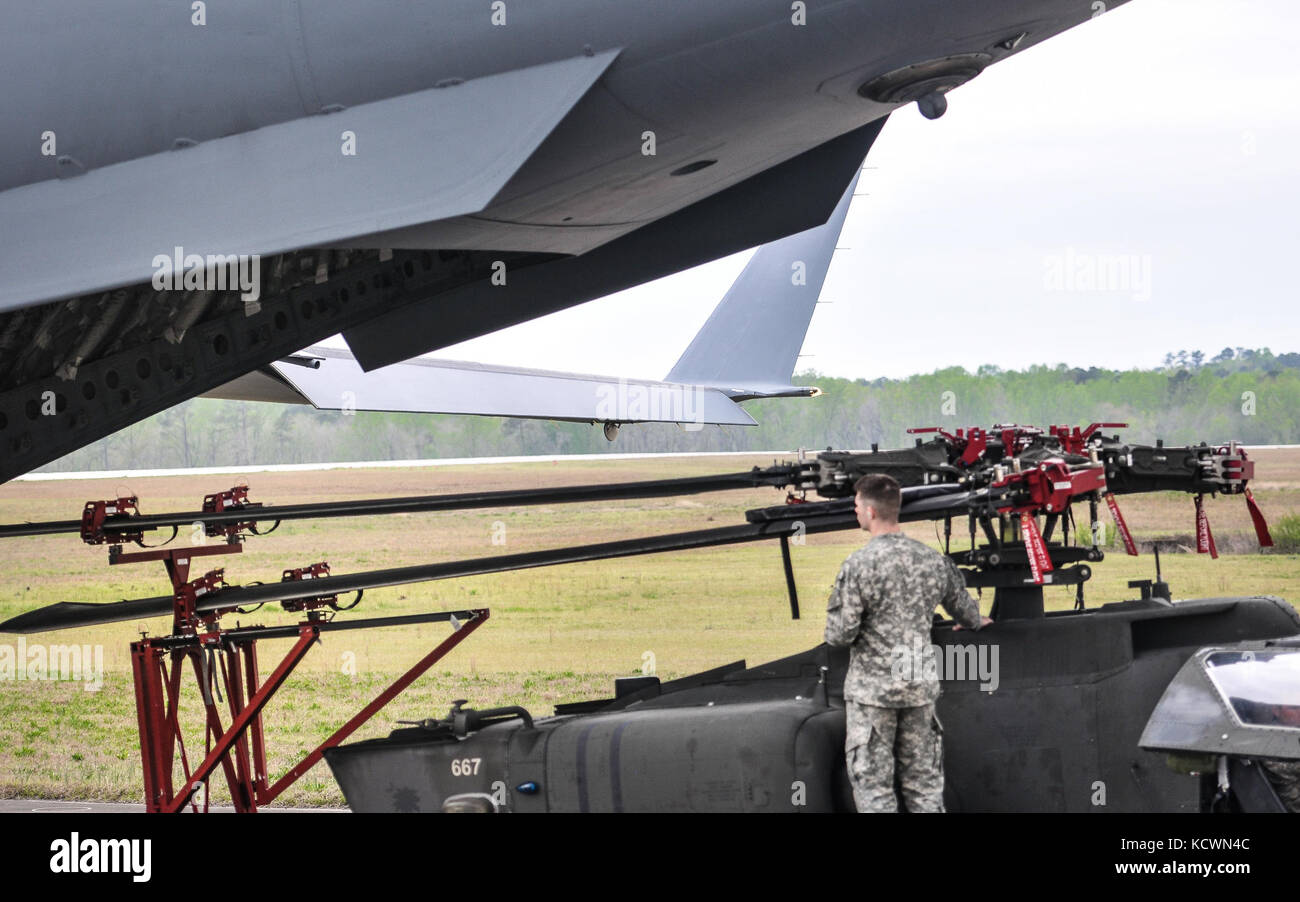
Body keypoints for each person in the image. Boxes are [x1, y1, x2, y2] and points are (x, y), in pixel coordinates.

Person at [824, 473, 990, 813]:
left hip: (873, 695)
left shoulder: (859, 565)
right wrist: (976, 621)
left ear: (870, 512)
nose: (855, 512)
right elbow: (968, 613)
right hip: (919, 689)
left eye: (856, 505)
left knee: (874, 789)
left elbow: (839, 635)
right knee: (925, 787)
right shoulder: (932, 560)